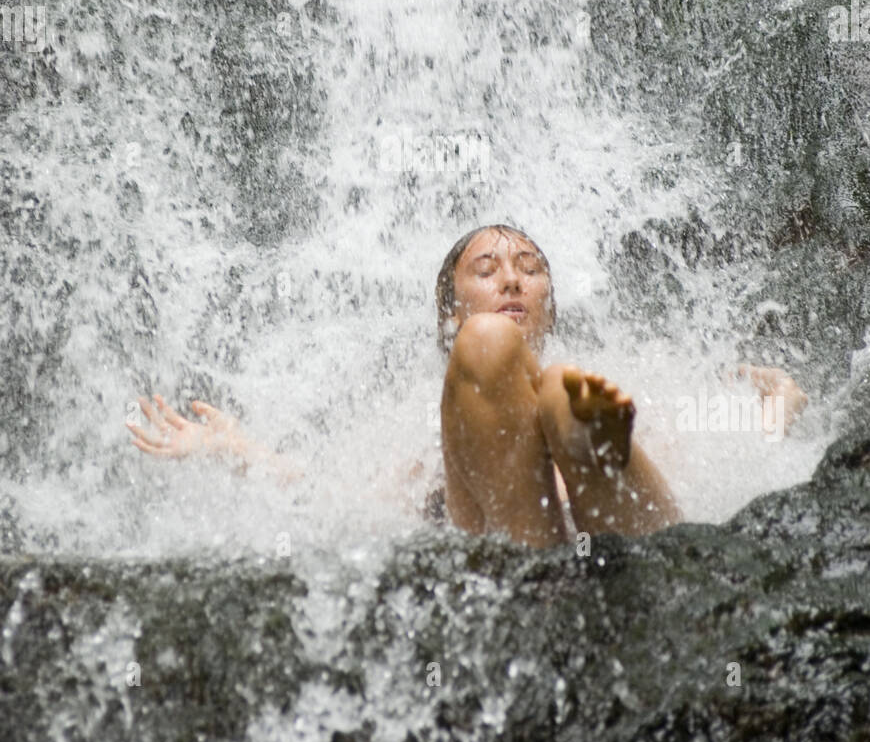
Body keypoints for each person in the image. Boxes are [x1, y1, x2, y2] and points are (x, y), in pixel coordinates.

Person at [127, 223, 808, 547]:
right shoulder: (426, 436)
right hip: (523, 547)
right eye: (487, 269)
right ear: (448, 310)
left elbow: (720, 467)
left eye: (530, 267)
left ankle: (568, 428)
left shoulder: (616, 384)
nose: (512, 277)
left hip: (636, 539)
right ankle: (537, 534)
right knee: (496, 353)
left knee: (572, 394)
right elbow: (347, 509)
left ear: (549, 300)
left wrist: (776, 411)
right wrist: (236, 448)